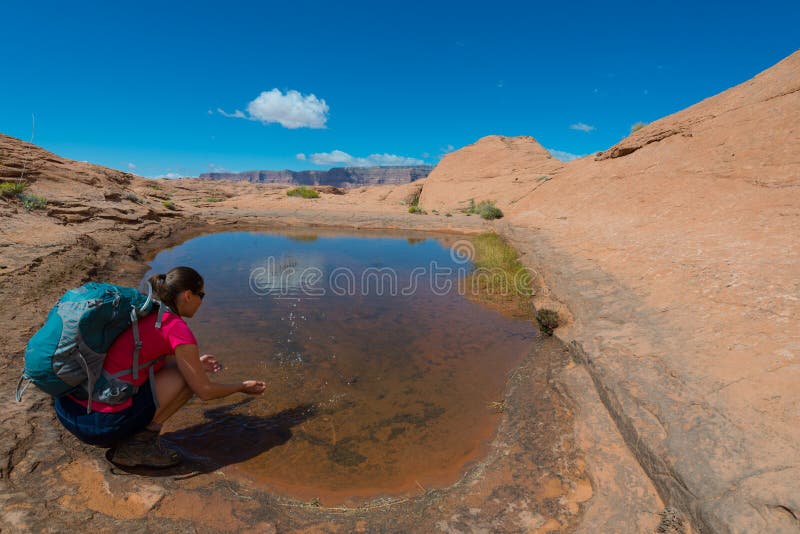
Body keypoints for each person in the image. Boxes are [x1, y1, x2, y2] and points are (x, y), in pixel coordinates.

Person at [54, 266, 267, 468]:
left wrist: (195, 363)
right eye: (201, 295)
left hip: (70, 410)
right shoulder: (176, 328)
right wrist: (241, 386)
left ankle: (131, 436)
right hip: (98, 425)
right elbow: (205, 391)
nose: (202, 302)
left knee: (186, 371)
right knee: (188, 380)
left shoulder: (145, 311)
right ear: (187, 295)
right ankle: (138, 447)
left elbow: (142, 358)